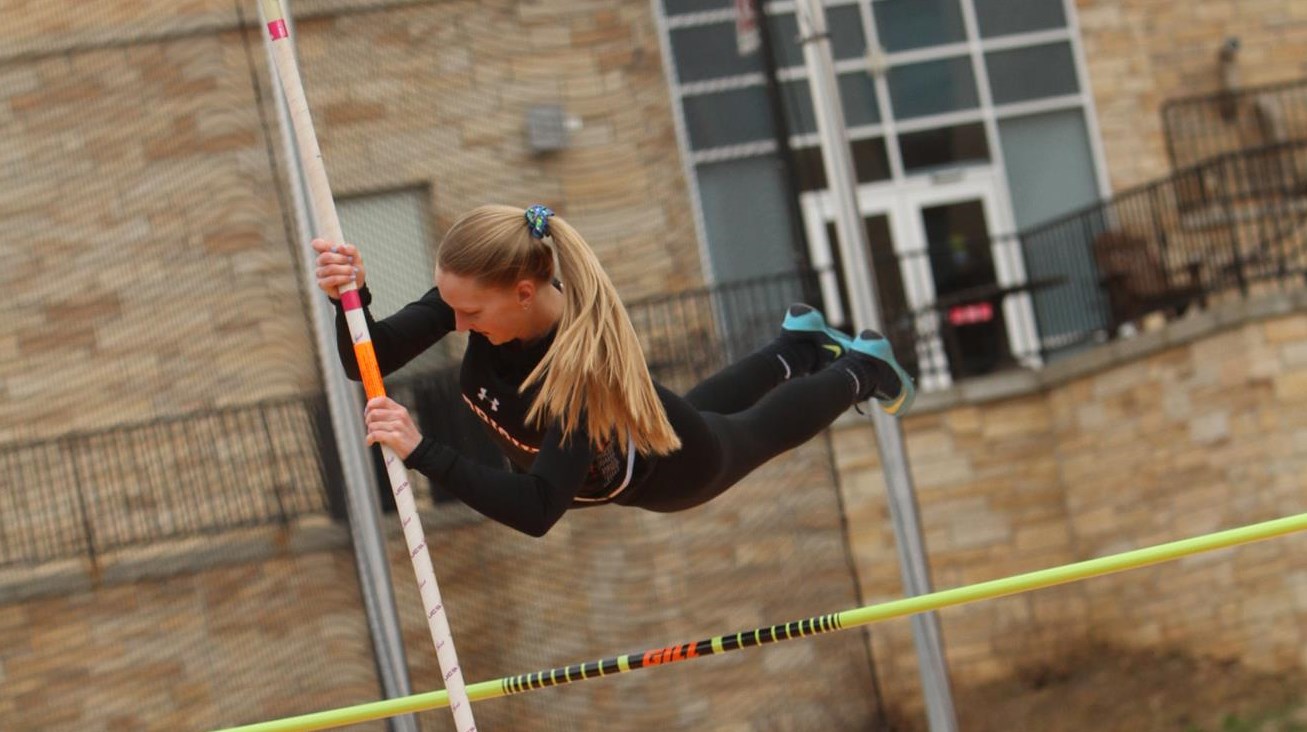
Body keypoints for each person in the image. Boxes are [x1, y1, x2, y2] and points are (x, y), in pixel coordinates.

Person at [313, 204, 914, 537]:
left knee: (753, 432)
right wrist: (353, 299)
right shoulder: (473, 294)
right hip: (629, 448)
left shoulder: (576, 375)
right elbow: (367, 358)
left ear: (524, 293)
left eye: (469, 312)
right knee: (702, 410)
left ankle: (861, 368)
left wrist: (422, 452)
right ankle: (799, 345)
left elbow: (538, 507)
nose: (459, 322)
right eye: (452, 308)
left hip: (673, 476)